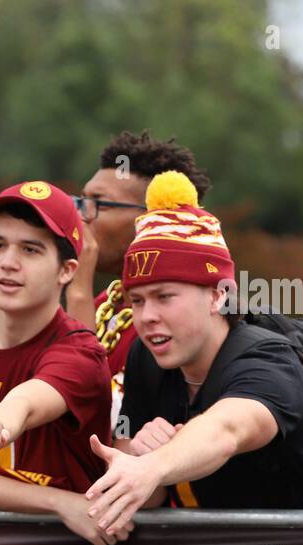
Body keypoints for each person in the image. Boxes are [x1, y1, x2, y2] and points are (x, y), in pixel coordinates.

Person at [84, 172, 303, 534]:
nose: (147, 316)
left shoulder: (269, 359)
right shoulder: (146, 356)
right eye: (137, 300)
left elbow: (227, 430)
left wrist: (155, 465)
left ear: (219, 294)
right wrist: (139, 456)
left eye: (165, 296)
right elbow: (148, 494)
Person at [0, 180, 118, 545]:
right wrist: (60, 503)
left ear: (66, 270)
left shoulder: (82, 350)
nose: (8, 262)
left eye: (30, 250)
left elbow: (27, 402)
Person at [65, 131, 211, 411]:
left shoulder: (176, 323)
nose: (81, 216)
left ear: (152, 218)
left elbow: (84, 407)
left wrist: (79, 290)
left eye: (99, 203)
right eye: (80, 201)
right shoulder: (105, 305)